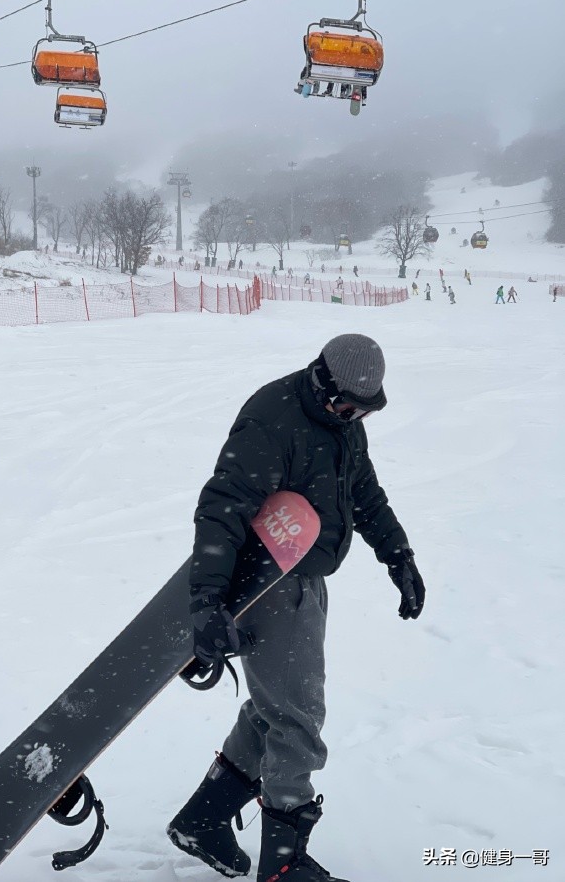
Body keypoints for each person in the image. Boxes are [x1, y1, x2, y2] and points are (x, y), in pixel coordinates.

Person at [167, 335, 425, 882]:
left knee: (273, 708)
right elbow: (222, 506)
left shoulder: (343, 426)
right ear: (319, 381)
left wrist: (398, 556)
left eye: (362, 411)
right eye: (344, 406)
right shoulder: (273, 418)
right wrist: (208, 600)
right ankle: (284, 866)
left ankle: (204, 819)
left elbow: (365, 494)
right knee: (297, 718)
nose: (351, 417)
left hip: (305, 576)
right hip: (266, 586)